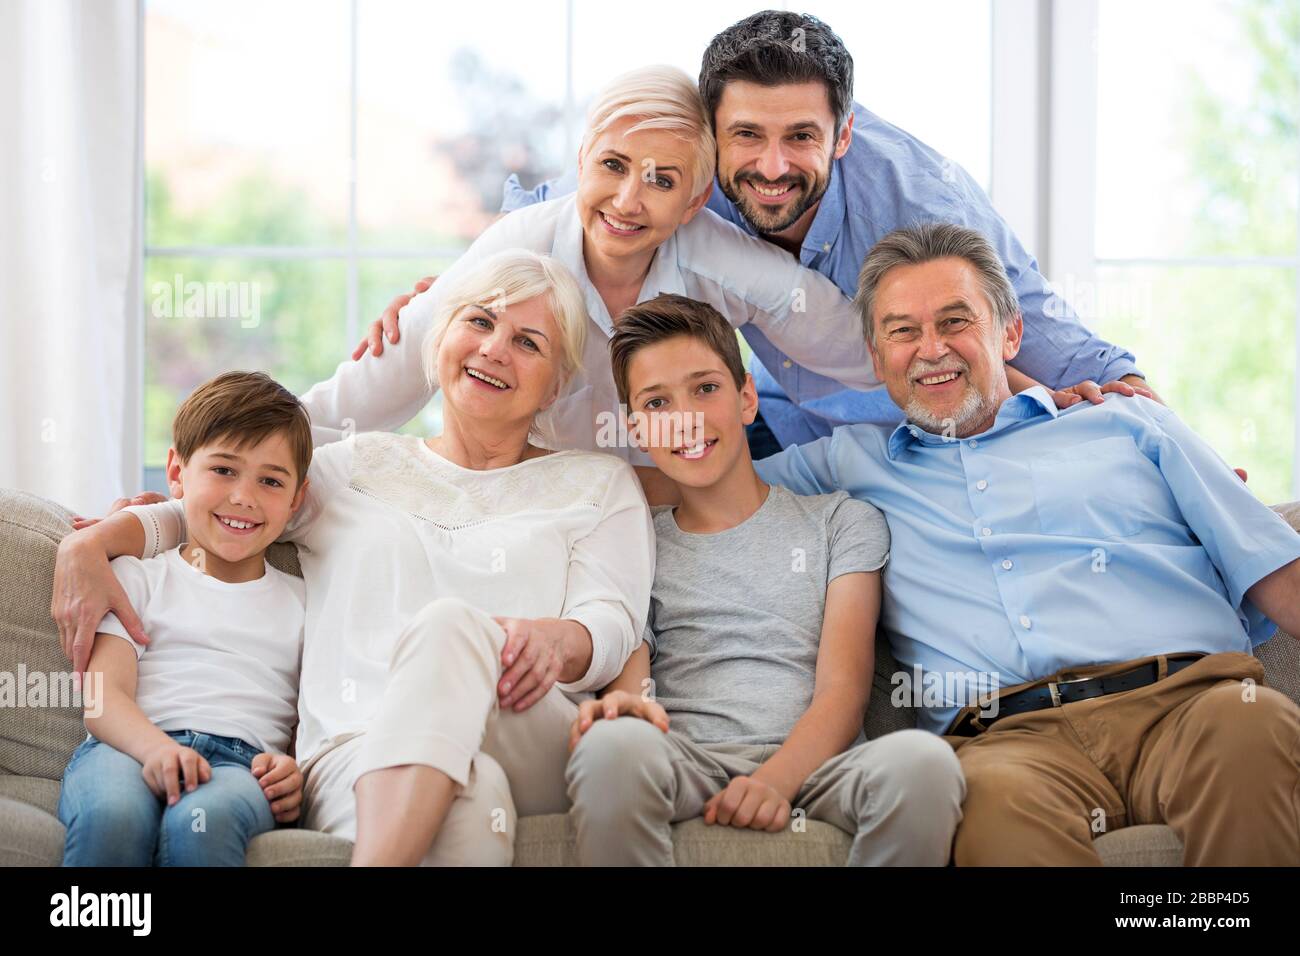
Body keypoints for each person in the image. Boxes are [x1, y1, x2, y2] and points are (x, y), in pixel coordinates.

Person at [52, 250, 655, 866]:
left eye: (528, 342)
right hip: (357, 747)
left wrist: (565, 638)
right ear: (440, 335)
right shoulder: (351, 467)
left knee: (451, 626)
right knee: (475, 797)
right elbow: (225, 511)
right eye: (479, 321)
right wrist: (95, 541)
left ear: (557, 382)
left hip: (523, 726)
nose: (495, 348)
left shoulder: (597, 484)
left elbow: (616, 615)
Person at [754, 222, 1300, 864]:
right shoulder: (848, 467)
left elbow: (1279, 573)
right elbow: (698, 484)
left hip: (1190, 705)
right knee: (987, 800)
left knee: (1252, 726)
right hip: (1005, 743)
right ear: (877, 359)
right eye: (903, 331)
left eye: (956, 321)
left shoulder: (1127, 421)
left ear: (1009, 333)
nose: (931, 349)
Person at [502, 10, 1152, 458]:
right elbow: (556, 211)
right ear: (713, 131)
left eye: (801, 138)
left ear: (842, 134)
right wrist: (454, 295)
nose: (772, 167)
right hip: (780, 427)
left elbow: (1062, 343)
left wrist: (1182, 461)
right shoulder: (685, 171)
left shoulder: (922, 207)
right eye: (748, 135)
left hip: (916, 442)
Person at [313, 63, 882, 500]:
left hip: (674, 510)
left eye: (662, 180)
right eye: (613, 166)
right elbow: (350, 404)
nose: (627, 201)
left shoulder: (724, 261)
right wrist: (253, 459)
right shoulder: (515, 248)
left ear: (694, 202)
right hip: (551, 508)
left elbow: (866, 349)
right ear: (582, 160)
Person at [563, 293, 964, 865]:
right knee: (610, 749)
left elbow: (843, 691)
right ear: (635, 428)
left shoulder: (840, 522)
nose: (688, 419)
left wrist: (775, 780)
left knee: (925, 765)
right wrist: (623, 718)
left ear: (746, 397)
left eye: (706, 389)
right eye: (657, 403)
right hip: (684, 759)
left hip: (822, 766)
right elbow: (633, 692)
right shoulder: (634, 540)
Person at [58, 371, 309, 866]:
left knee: (205, 822)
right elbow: (102, 699)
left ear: (296, 499)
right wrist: (156, 750)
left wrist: (292, 766)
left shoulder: (306, 602)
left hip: (242, 766)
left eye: (271, 480)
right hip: (126, 748)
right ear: (177, 472)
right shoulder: (138, 577)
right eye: (223, 470)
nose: (244, 497)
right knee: (114, 814)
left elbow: (314, 716)